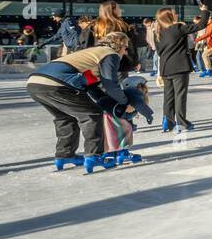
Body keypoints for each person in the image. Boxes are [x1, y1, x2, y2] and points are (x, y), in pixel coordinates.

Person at [27, 30, 136, 173]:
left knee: (64, 117)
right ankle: (94, 156)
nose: (125, 51)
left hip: (35, 83)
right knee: (92, 114)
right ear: (120, 45)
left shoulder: (92, 54)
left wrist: (111, 104)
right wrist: (125, 102)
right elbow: (110, 84)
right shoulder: (110, 53)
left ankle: (65, 155)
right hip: (58, 83)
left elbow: (92, 89)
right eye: (126, 47)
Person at [153, 1, 210, 132]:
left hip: (166, 67)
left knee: (168, 96)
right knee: (180, 95)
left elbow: (159, 52)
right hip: (179, 67)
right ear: (168, 16)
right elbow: (201, 25)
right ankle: (182, 122)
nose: (176, 14)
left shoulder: (158, 33)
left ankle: (167, 121)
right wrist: (204, 11)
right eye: (174, 13)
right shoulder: (178, 28)